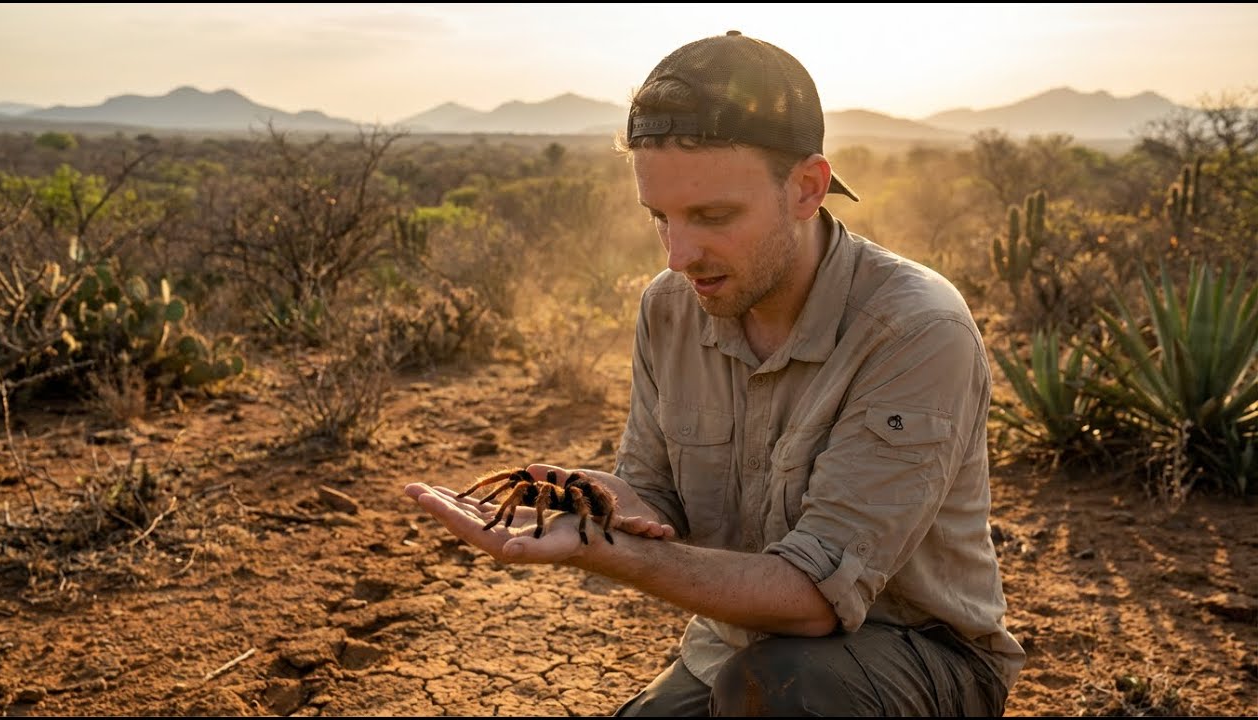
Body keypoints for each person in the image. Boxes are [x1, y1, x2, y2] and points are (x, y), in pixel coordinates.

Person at [405, 29, 1024, 716]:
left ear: (807, 188)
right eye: (660, 218)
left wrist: (609, 554)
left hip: (917, 653)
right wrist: (597, 508)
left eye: (712, 216)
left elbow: (815, 599)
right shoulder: (671, 307)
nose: (678, 255)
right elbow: (653, 498)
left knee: (785, 692)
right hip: (736, 650)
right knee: (746, 686)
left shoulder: (915, 328)